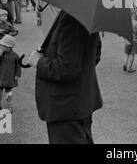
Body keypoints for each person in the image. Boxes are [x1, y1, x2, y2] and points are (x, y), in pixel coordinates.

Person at [26, 11, 103, 144]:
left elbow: (66, 69)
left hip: (66, 107)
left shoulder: (71, 19)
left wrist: (39, 62)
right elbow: (94, 55)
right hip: (77, 103)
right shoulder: (85, 16)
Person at [0, 35, 21, 112]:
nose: (1, 47)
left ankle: (9, 106)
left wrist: (17, 74)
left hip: (10, 78)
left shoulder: (15, 55)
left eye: (3, 46)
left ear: (9, 47)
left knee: (9, 93)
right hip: (0, 77)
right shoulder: (1, 54)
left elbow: (18, 65)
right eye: (1, 45)